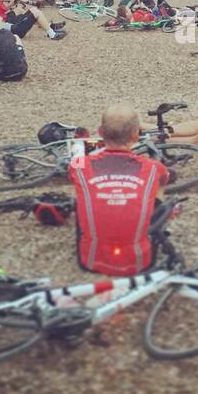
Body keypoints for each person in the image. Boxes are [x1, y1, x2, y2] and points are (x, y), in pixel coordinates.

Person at [68, 104, 171, 276]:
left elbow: (73, 166)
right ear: (136, 135)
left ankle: (96, 217)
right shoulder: (154, 167)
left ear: (100, 133)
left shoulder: (79, 165)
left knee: (81, 188)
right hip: (140, 260)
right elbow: (166, 177)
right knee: (158, 185)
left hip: (91, 259)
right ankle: (154, 227)